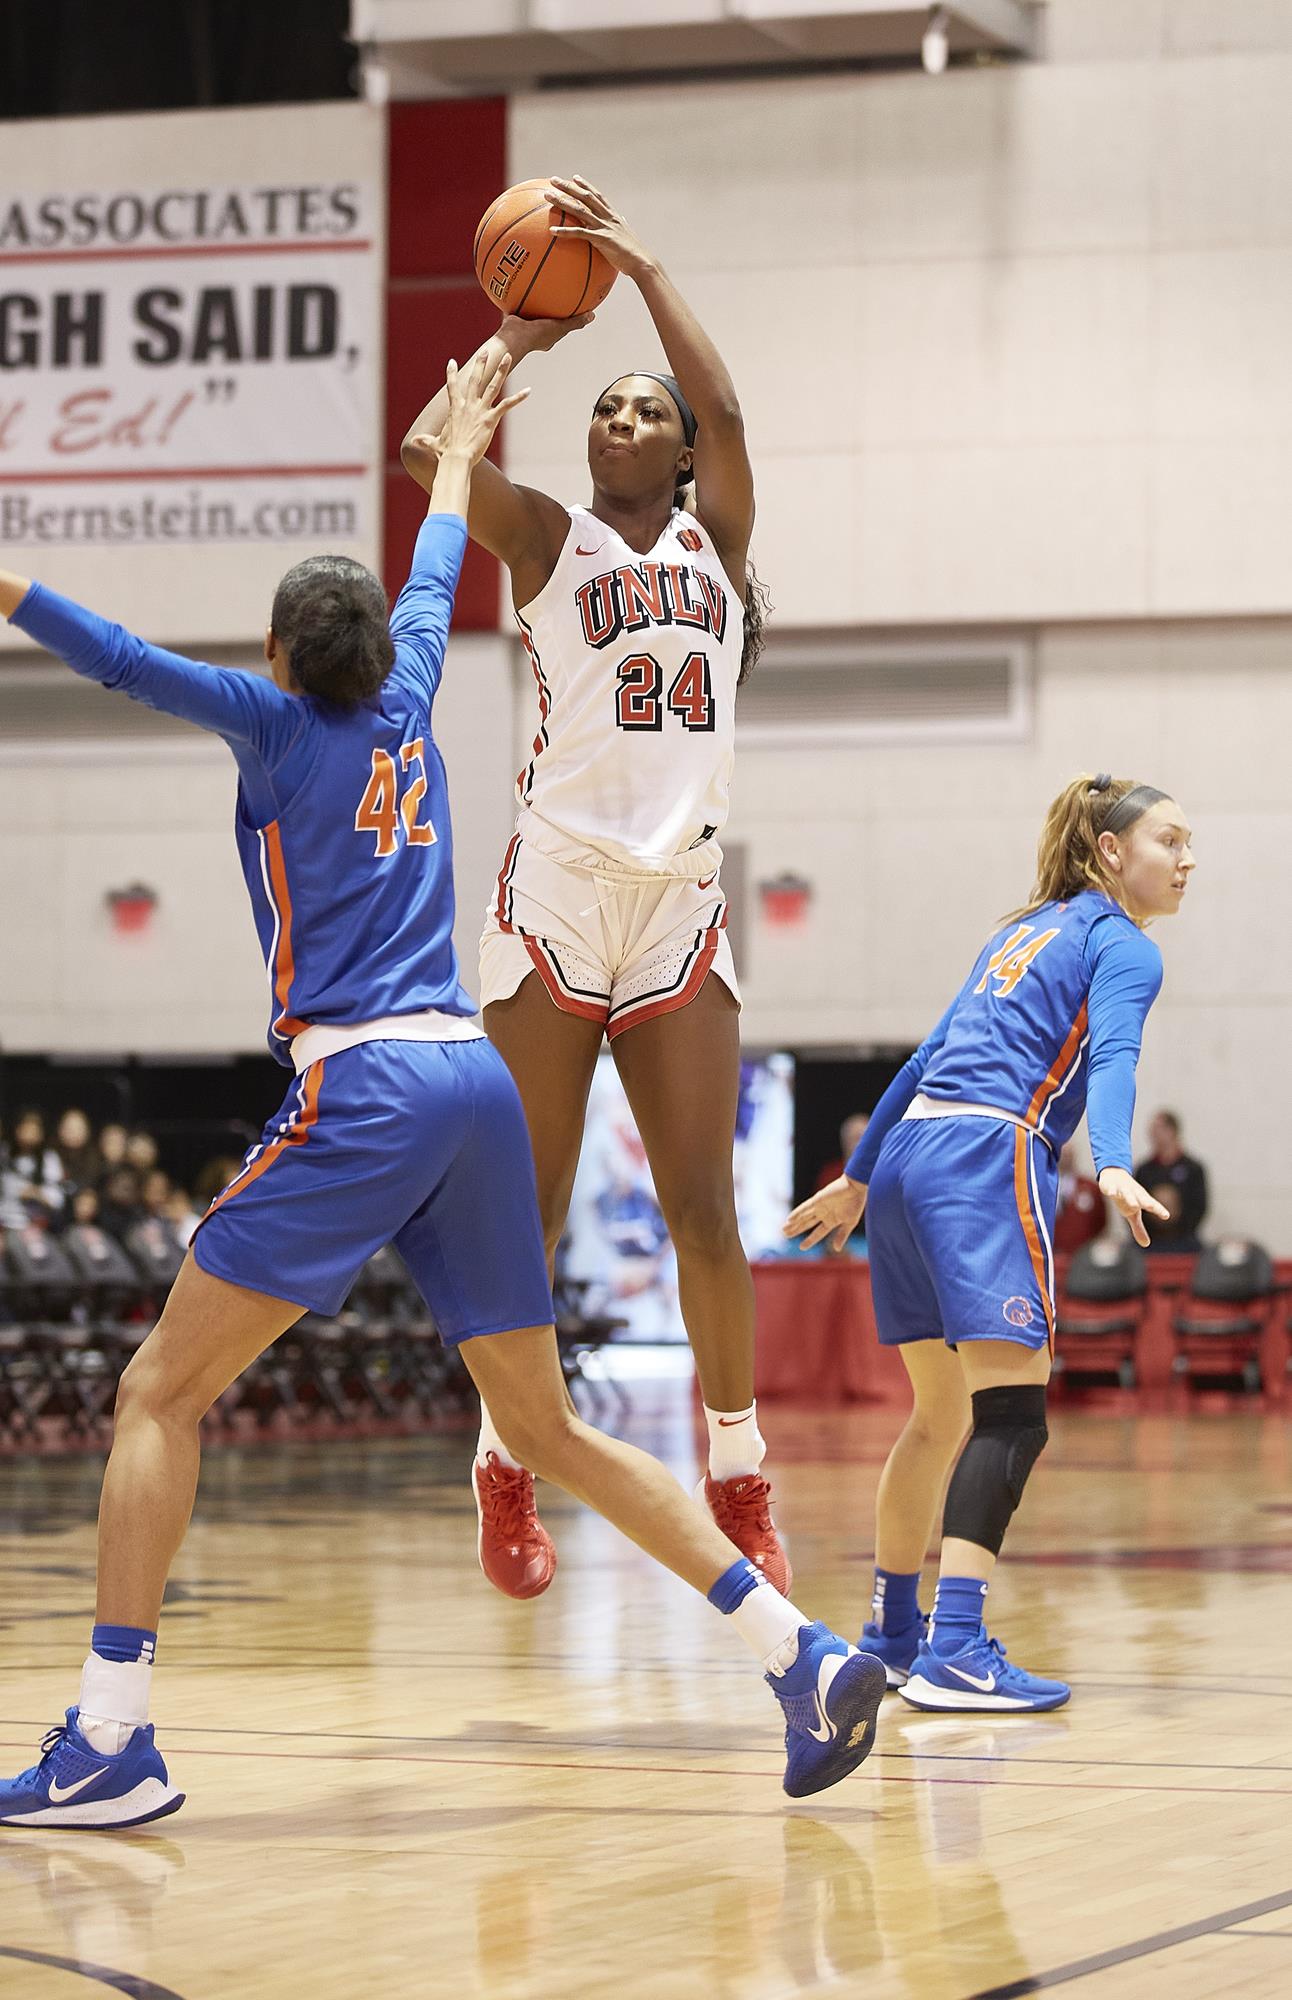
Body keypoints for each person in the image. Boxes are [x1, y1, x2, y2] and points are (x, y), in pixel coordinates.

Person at [0, 351, 884, 1830]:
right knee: (546, 1428)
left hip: (365, 1085)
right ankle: (799, 1657)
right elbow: (430, 566)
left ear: (278, 654)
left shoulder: (270, 720)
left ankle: (112, 1736)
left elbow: (113, 653)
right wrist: (464, 443)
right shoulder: (411, 686)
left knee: (159, 1391)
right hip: (472, 1080)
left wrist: (15, 585)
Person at [401, 174, 788, 1604]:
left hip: (679, 901)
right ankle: (507, 1457)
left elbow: (733, 415)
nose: (621, 420)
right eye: (605, 409)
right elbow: (424, 448)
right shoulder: (550, 539)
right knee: (534, 1209)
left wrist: (641, 274)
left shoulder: (718, 551)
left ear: (682, 454)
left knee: (705, 1212)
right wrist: (529, 336)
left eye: (645, 411)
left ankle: (740, 1480)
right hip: (554, 899)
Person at [784, 773, 1194, 1711]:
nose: (1186, 859)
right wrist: (1120, 1160)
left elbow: (926, 1057)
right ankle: (958, 1646)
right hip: (985, 1151)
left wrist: (856, 1178)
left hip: (908, 1157)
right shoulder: (1123, 944)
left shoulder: (1020, 929)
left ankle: (891, 1634)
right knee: (1012, 1417)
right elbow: (1117, 1055)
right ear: (1109, 854)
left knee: (938, 1417)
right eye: (1168, 841)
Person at [1134, 1109, 1208, 1254]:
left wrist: (1176, 1223)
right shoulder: (1144, 1170)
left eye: (1159, 1128)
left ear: (1172, 1131)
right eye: (1152, 1129)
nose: (1154, 1134)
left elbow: (1199, 1206)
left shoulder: (1192, 1168)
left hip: (1184, 1238)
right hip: (1150, 1239)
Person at [1054, 1142, 1106, 1255]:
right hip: (1049, 1254)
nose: (1065, 1158)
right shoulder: (1040, 1187)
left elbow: (1102, 1222)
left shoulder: (1091, 1188)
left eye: (1069, 1154)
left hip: (1082, 1257)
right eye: (1062, 1154)